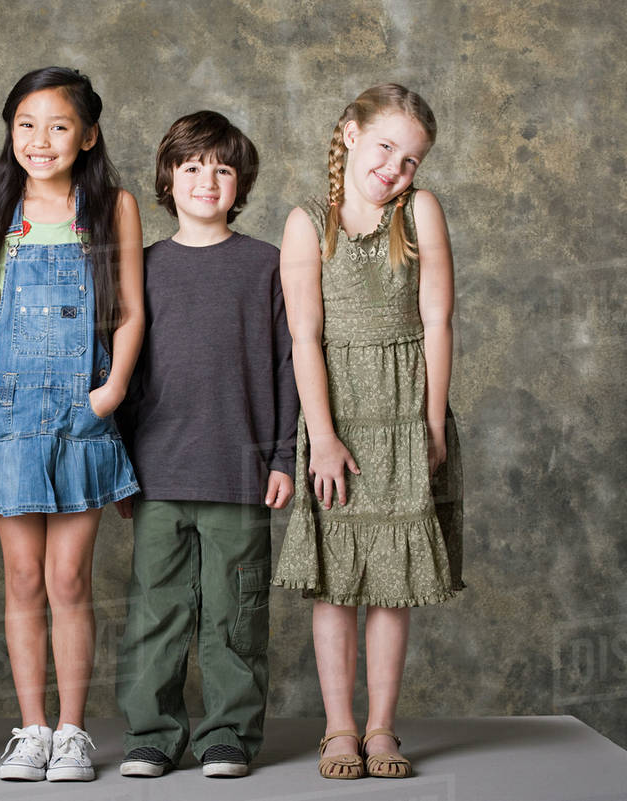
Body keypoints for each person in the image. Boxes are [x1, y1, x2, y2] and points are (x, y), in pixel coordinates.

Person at [272, 83, 464, 780]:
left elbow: (438, 320)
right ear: (350, 134)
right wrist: (321, 435)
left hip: (407, 410)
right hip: (338, 413)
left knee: (391, 582)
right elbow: (303, 337)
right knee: (336, 584)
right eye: (386, 147)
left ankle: (382, 724)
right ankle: (339, 727)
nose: (396, 168)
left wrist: (433, 420)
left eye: (411, 159)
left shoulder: (420, 213)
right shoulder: (306, 224)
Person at [0, 66, 144, 782]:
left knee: (69, 576)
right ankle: (30, 727)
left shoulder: (112, 208)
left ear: (88, 134)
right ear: (10, 133)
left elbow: (131, 311)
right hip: (10, 418)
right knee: (21, 575)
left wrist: (111, 391)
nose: (41, 141)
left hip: (81, 415)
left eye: (59, 126)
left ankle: (72, 730)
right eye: (26, 126)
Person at [113, 110, 298, 779]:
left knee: (235, 612)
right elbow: (125, 374)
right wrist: (121, 469)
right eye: (191, 165)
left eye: (221, 167)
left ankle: (228, 734)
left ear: (241, 180)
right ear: (169, 177)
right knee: (155, 610)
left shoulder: (266, 266)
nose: (206, 179)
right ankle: (152, 734)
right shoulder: (144, 267)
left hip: (240, 472)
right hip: (158, 472)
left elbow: (288, 367)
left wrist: (282, 458)